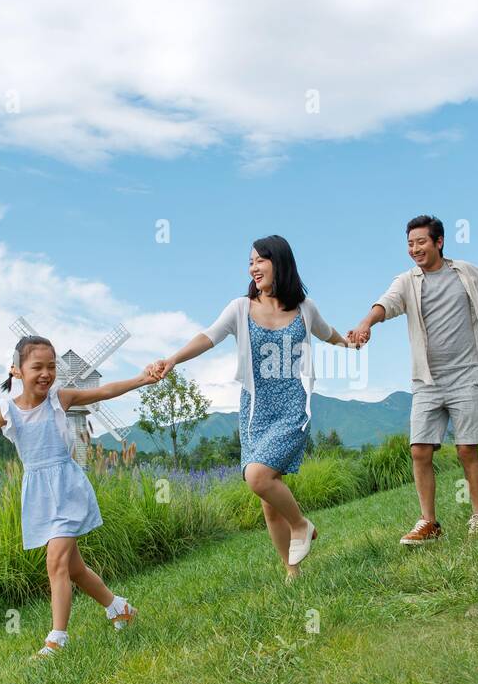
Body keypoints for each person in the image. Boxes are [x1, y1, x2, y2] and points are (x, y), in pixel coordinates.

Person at [0, 335, 152, 657]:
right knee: (74, 569)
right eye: (37, 366)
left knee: (55, 562)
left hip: (68, 487)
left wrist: (142, 378)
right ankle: (118, 607)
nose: (46, 373)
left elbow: (103, 391)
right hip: (39, 494)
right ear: (17, 371)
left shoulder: (60, 399)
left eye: (51, 367)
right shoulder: (6, 411)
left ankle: (56, 640)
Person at [149, 235, 351, 581]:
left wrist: (347, 341)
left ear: (280, 262)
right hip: (255, 410)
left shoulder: (304, 308)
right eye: (250, 262)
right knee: (268, 502)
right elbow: (207, 336)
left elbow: (326, 331)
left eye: (261, 260)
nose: (254, 268)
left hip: (292, 404)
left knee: (257, 477)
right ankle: (292, 571)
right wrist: (172, 360)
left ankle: (302, 524)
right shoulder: (240, 308)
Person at [348, 215, 478, 543]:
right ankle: (429, 523)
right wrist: (366, 323)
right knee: (420, 450)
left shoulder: (466, 272)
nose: (414, 249)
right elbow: (386, 303)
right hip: (427, 379)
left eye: (421, 242)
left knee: (467, 449)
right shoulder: (406, 281)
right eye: (410, 244)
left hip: (465, 374)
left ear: (439, 242)